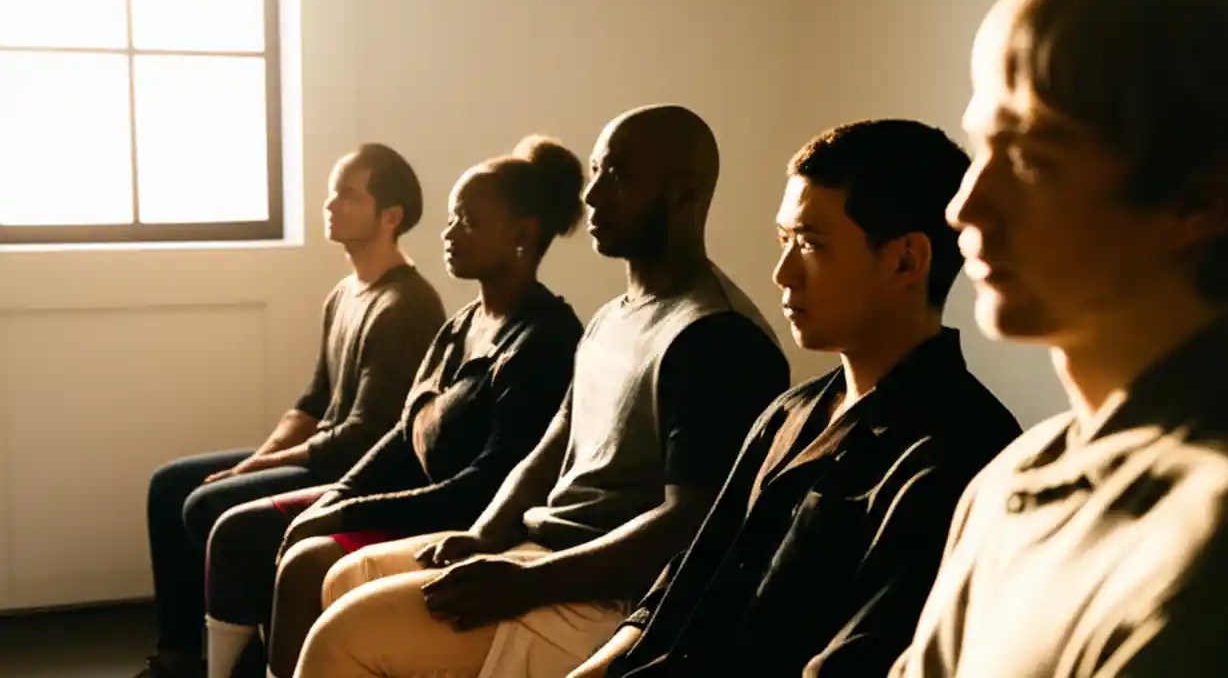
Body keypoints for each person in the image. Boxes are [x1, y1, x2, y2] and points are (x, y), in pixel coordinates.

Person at [878, 0, 1228, 676]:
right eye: (980, 148)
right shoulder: (1008, 482)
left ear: (1200, 200)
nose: (964, 207)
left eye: (1030, 155)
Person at [292, 105, 791, 677]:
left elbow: (690, 525)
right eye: (597, 171)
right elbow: (551, 446)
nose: (594, 195)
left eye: (619, 176)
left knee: (344, 638)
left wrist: (527, 581)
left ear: (685, 195)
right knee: (345, 576)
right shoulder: (610, 318)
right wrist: (482, 537)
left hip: (613, 596)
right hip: (543, 556)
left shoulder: (717, 336)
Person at [569, 120, 1021, 678]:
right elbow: (689, 576)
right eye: (784, 241)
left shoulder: (959, 455)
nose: (783, 274)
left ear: (906, 261)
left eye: (810, 244)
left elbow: (860, 658)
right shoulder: (786, 414)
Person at [199, 136, 588, 678]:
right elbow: (405, 435)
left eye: (468, 222)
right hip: (419, 500)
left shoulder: (544, 342)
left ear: (521, 236)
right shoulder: (460, 326)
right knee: (278, 534)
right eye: (452, 218)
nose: (449, 234)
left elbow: (487, 483)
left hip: (463, 520)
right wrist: (337, 495)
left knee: (305, 564)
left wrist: (347, 513)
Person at [136, 144, 446, 678]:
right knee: (169, 486)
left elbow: (361, 437)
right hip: (323, 450)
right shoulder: (345, 293)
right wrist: (256, 458)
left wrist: (254, 470)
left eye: (348, 194)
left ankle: (244, 652)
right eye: (332, 191)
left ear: (390, 215)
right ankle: (179, 656)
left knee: (205, 506)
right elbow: (313, 400)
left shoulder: (407, 307)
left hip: (352, 471)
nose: (330, 203)